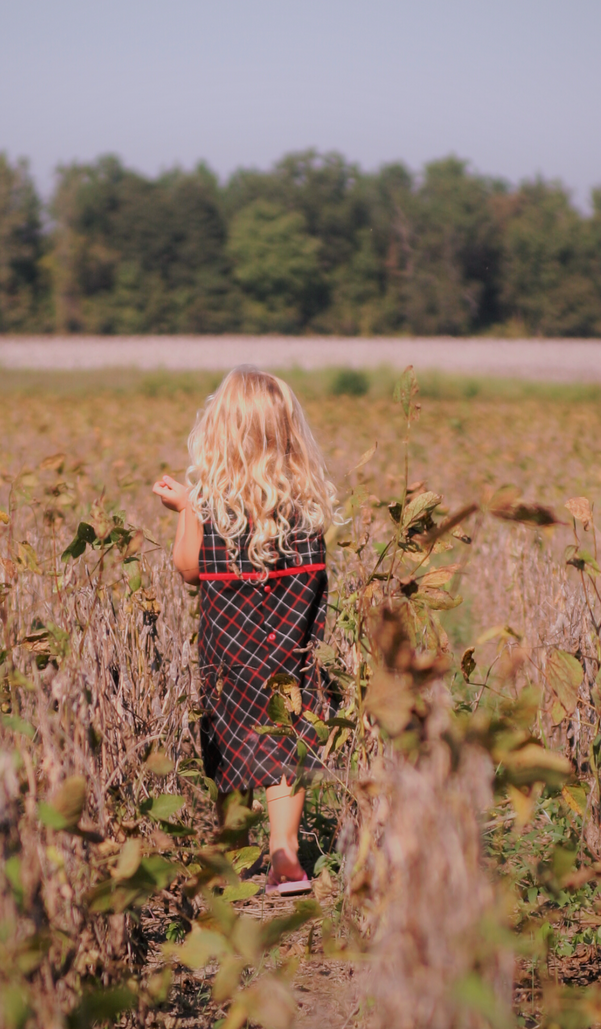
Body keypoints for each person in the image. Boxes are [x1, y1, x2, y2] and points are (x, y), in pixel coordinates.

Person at [152, 366, 336, 895]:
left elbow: (188, 569)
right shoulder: (304, 504)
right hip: (290, 653)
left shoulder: (211, 504)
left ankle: (231, 857)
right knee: (286, 744)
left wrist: (187, 509)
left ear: (220, 431)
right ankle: (285, 856)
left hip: (230, 653)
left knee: (228, 742)